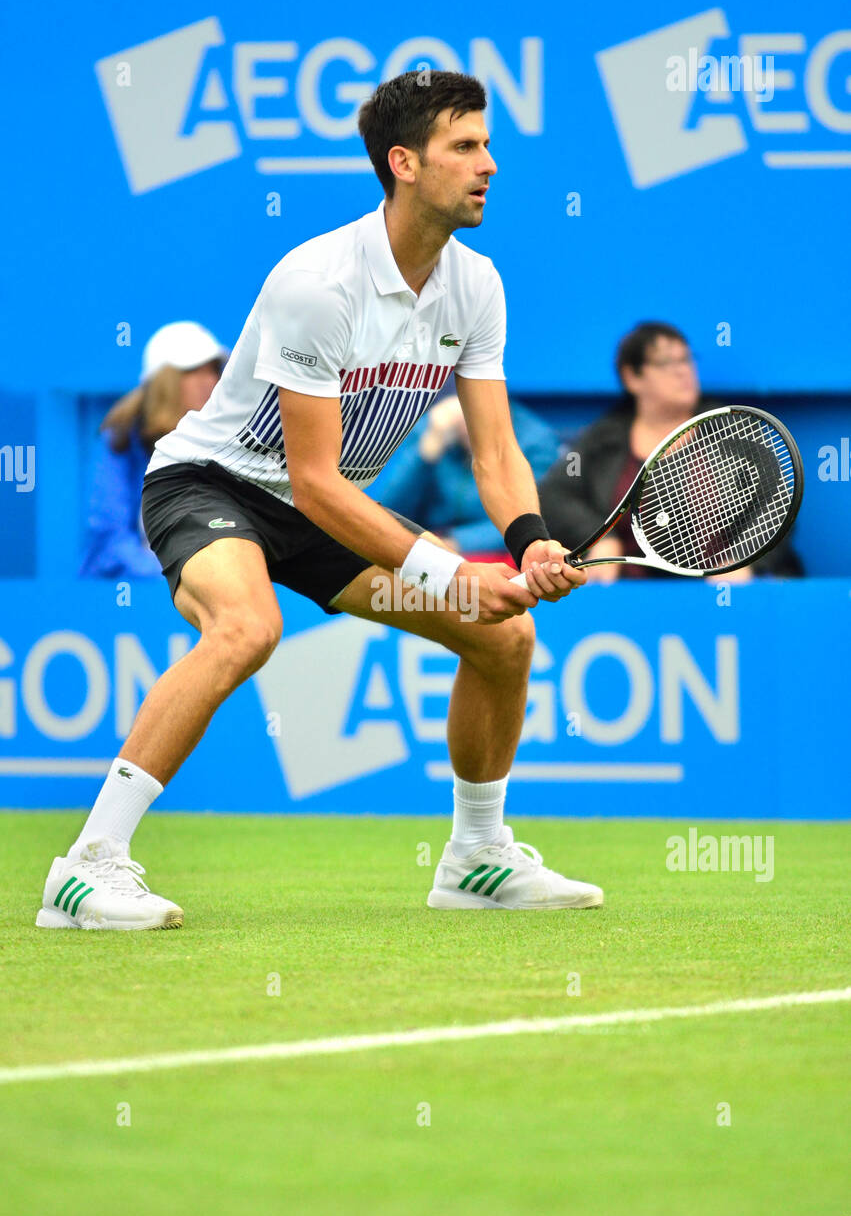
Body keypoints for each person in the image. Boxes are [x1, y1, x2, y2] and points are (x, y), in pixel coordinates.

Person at [36, 70, 602, 932]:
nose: (489, 164)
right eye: (466, 146)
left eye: (487, 144)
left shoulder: (475, 285)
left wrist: (526, 540)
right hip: (213, 483)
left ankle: (475, 856)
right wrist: (452, 573)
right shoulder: (318, 283)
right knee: (247, 626)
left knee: (506, 634)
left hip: (323, 508)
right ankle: (86, 866)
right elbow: (314, 480)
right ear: (403, 163)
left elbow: (491, 449)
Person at [538, 321, 803, 582]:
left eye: (686, 360)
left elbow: (777, 505)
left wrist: (746, 561)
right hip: (630, 595)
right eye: (666, 362)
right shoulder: (602, 440)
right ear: (632, 377)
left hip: (726, 594)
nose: (683, 371)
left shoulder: (733, 430)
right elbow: (554, 497)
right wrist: (599, 540)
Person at [79, 323, 226, 578]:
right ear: (163, 383)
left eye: (213, 371)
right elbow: (110, 545)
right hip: (141, 601)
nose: (210, 381)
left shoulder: (230, 441)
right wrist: (188, 577)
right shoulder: (121, 439)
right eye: (194, 371)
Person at [372, 391, 560, 556]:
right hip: (423, 547)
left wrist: (456, 542)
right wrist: (426, 454)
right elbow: (390, 509)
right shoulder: (430, 428)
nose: (473, 424)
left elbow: (533, 520)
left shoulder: (535, 441)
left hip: (489, 554)